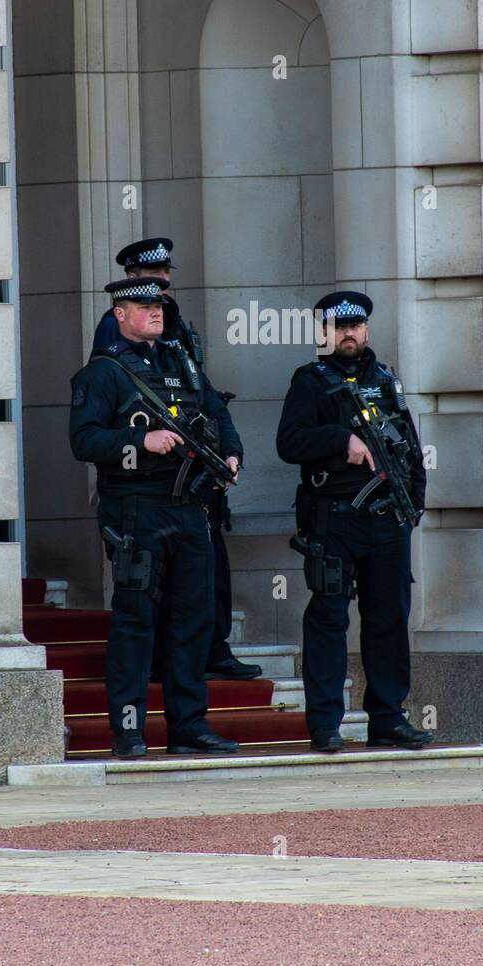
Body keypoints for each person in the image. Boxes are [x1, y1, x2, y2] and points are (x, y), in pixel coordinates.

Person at [69, 276, 243, 758]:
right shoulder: (102, 373)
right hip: (137, 512)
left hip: (189, 508)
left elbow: (217, 411)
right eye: (144, 306)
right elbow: (83, 440)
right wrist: (138, 441)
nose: (156, 312)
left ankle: (189, 726)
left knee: (192, 621)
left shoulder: (179, 362)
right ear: (119, 313)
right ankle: (128, 730)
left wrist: (231, 454)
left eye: (159, 305)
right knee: (136, 623)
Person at [90, 237, 261, 682]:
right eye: (151, 279)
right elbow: (111, 407)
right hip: (150, 486)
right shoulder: (118, 329)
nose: (161, 287)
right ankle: (159, 670)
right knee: (151, 588)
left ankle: (211, 650)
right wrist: (143, 439)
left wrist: (230, 450)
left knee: (207, 571)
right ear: (130, 283)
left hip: (194, 475)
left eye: (165, 276)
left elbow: (202, 391)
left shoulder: (174, 325)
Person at [276, 291, 434, 754]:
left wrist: (415, 505)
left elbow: (409, 443)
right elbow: (289, 443)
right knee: (327, 620)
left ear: (366, 330)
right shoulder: (310, 381)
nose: (349, 333)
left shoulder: (385, 380)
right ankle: (325, 724)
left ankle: (387, 718)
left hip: (388, 520)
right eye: (339, 326)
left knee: (388, 620)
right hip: (335, 519)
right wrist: (339, 437)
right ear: (324, 333)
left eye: (356, 325)